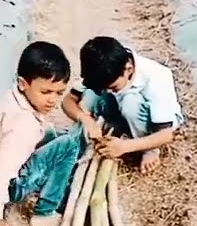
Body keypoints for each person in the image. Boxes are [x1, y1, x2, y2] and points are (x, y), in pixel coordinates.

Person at [0, 41, 85, 226]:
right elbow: (2, 171)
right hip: (9, 184)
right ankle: (45, 211)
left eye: (59, 93)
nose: (53, 100)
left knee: (52, 135)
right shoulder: (23, 125)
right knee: (68, 146)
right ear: (24, 83)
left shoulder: (12, 96)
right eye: (46, 92)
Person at [62, 36, 183, 174]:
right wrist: (86, 119)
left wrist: (125, 147)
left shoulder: (157, 77)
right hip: (121, 112)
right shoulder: (102, 66)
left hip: (154, 126)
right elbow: (67, 101)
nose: (108, 91)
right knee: (91, 95)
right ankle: (115, 125)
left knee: (130, 102)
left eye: (113, 87)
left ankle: (149, 149)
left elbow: (166, 135)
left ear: (129, 69)